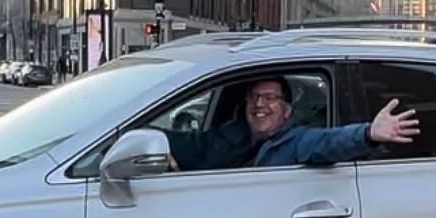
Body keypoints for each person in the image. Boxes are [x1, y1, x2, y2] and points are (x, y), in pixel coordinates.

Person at [165, 76, 420, 171]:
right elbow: (190, 146)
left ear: (286, 109)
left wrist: (367, 134)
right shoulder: (229, 135)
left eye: (270, 98)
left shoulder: (297, 141)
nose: (259, 104)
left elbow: (329, 142)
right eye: (253, 97)